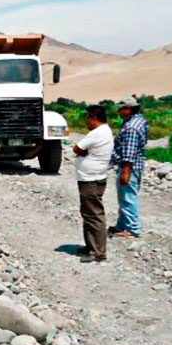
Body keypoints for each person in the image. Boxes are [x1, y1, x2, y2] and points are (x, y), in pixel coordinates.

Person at [72, 105, 113, 262]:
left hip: (91, 179)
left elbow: (77, 148)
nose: (86, 122)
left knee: (94, 215)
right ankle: (90, 246)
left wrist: (83, 152)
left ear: (93, 119)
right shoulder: (105, 131)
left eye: (87, 118)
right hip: (92, 177)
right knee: (88, 214)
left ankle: (98, 252)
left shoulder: (97, 133)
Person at [110, 96, 149, 238]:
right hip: (134, 166)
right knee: (124, 197)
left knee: (128, 198)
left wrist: (125, 172)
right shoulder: (138, 121)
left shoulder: (132, 127)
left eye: (121, 109)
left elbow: (129, 151)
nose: (118, 112)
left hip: (129, 167)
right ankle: (122, 225)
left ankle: (132, 229)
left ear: (128, 109)